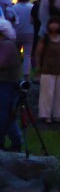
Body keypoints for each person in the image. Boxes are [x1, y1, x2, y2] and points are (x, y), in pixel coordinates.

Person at [34, 11, 60, 124]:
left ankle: (57, 114)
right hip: (47, 69)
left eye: (56, 23)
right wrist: (38, 67)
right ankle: (46, 114)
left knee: (59, 93)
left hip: (59, 69)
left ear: (59, 25)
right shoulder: (45, 38)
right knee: (47, 93)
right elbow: (38, 53)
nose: (53, 25)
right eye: (51, 23)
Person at [0, 19, 21, 150]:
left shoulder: (6, 45)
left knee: (4, 115)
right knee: (6, 115)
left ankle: (14, 142)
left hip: (6, 84)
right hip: (6, 83)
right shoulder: (8, 44)